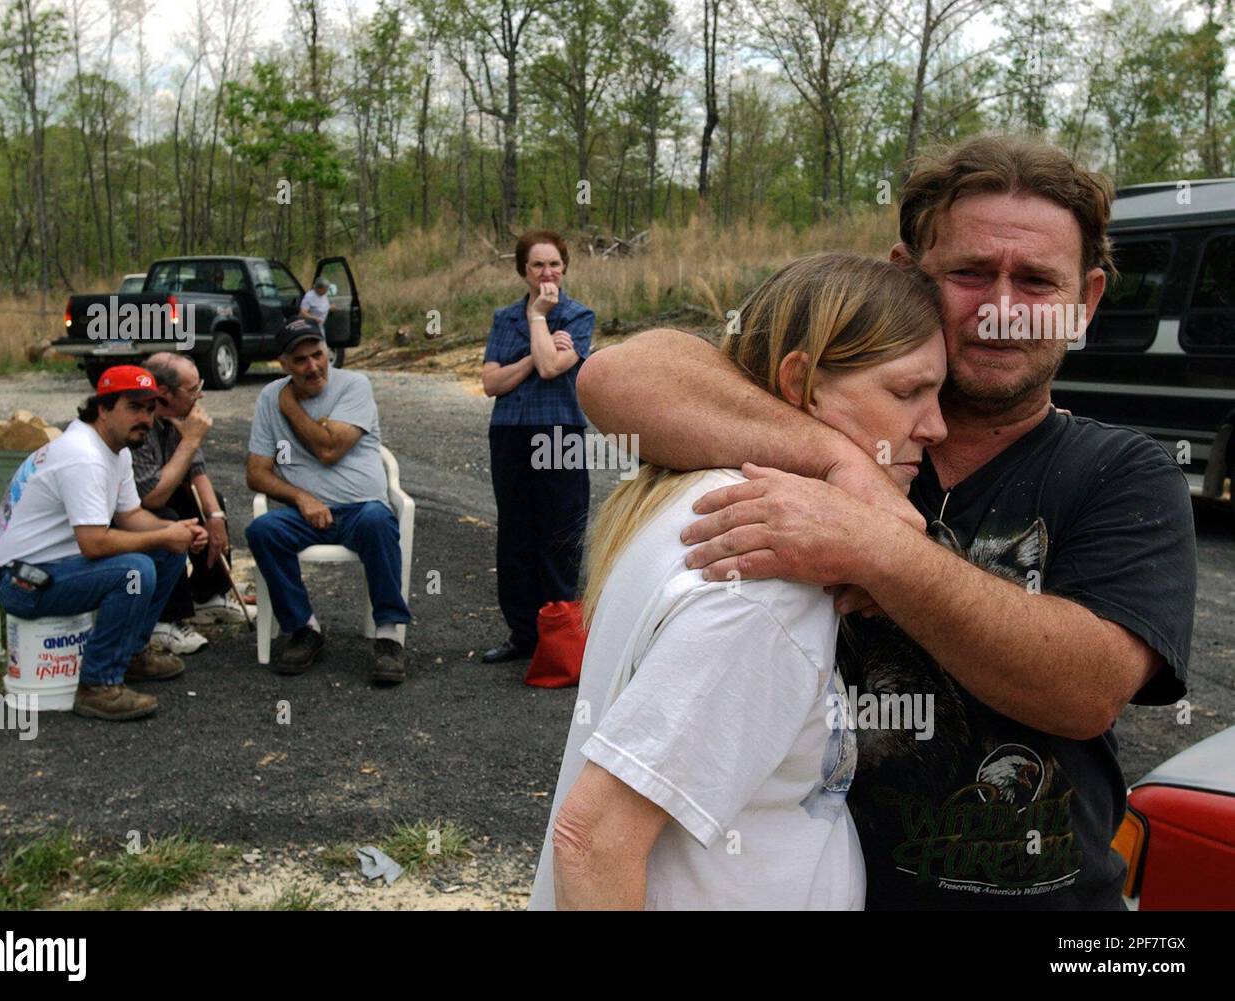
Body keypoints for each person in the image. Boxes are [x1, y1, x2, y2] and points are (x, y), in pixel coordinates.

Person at [575, 135, 1197, 910]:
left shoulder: (1124, 472)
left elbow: (1086, 687)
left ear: (1088, 299)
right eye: (970, 273)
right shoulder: (851, 416)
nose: (1002, 309)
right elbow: (615, 375)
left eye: (1037, 281)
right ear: (907, 274)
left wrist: (880, 550)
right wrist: (843, 464)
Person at [530, 254, 947, 910]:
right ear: (800, 383)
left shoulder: (694, 497)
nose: (936, 425)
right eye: (906, 393)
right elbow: (592, 841)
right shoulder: (769, 576)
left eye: (939, 395)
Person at [0, 365, 209, 721]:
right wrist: (164, 535)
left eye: (151, 409)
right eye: (134, 407)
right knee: (134, 571)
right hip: (20, 581)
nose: (146, 419)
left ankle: (131, 653)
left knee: (166, 550)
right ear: (104, 408)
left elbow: (132, 517)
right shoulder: (83, 455)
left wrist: (177, 532)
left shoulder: (116, 449)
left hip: (51, 569)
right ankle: (98, 685)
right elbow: (93, 544)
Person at [245, 319, 411, 684]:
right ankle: (304, 628)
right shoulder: (269, 397)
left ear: (328, 352)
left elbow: (329, 449)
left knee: (378, 521)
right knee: (262, 530)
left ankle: (387, 636)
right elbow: (256, 473)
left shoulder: (353, 385)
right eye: (301, 360)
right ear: (284, 364)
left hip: (361, 508)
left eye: (318, 355)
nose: (313, 366)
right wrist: (300, 497)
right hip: (304, 514)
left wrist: (290, 406)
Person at [479, 230, 595, 664]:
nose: (547, 272)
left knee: (560, 532)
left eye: (554, 264)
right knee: (515, 534)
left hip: (558, 433)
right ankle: (522, 635)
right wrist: (533, 346)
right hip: (509, 432)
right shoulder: (503, 318)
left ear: (564, 268)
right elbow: (491, 383)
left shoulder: (579, 316)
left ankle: (559, 637)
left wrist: (542, 320)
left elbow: (551, 369)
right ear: (523, 271)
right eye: (537, 265)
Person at [134, 352, 252, 658]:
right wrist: (189, 441)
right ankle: (165, 618)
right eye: (192, 389)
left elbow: (196, 471)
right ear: (163, 394)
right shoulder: (140, 422)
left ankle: (208, 594)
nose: (199, 394)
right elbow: (151, 497)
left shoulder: (181, 415)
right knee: (168, 515)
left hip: (159, 489)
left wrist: (214, 516)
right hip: (130, 507)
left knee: (213, 503)